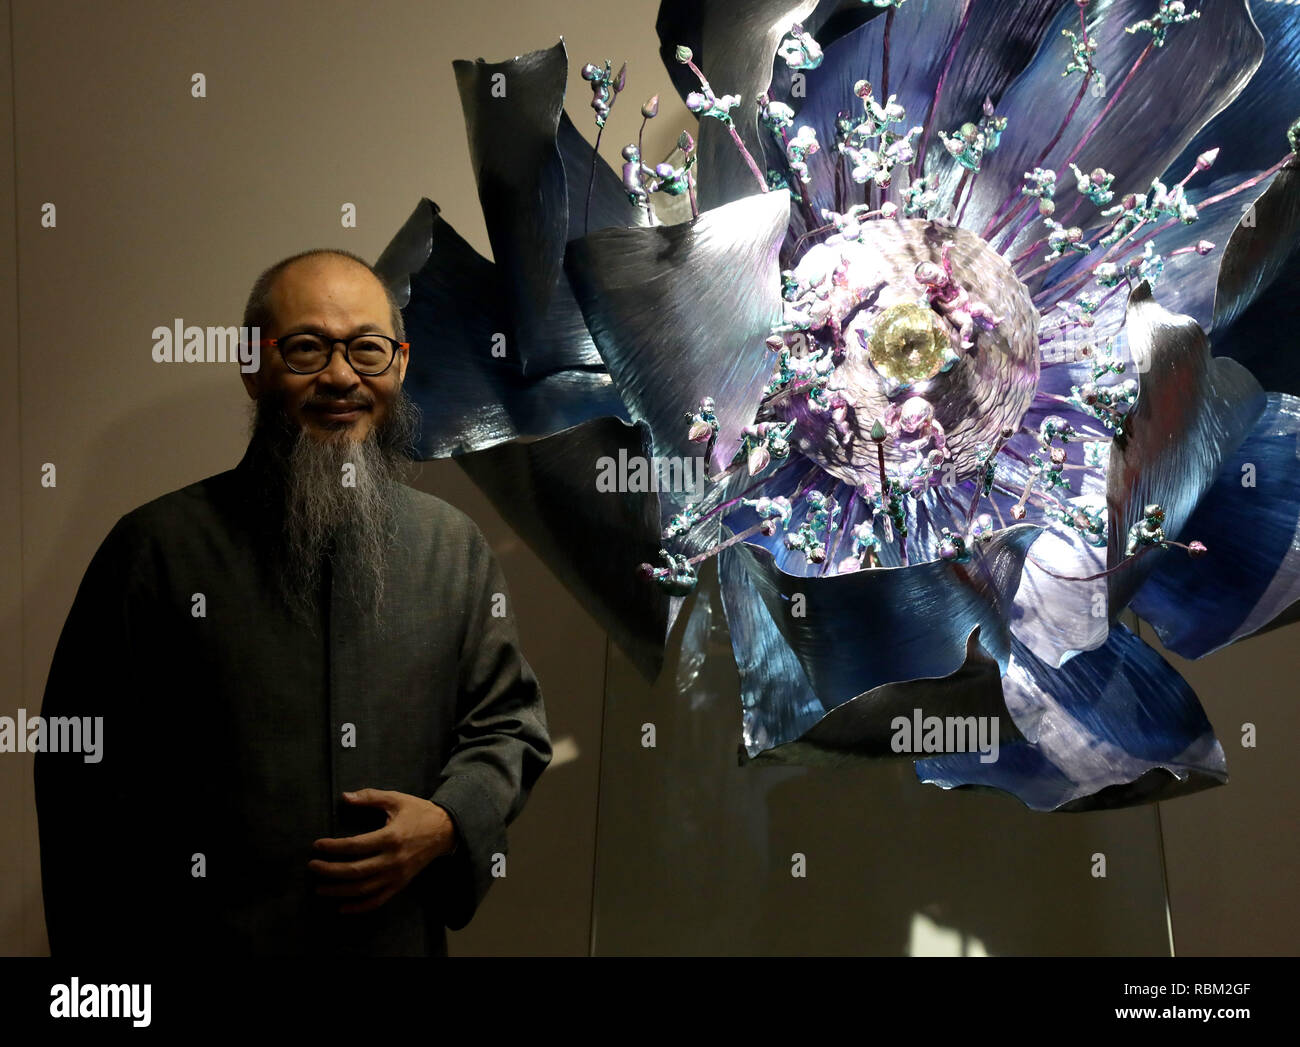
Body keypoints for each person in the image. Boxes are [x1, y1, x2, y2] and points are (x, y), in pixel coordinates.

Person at [34, 249, 551, 956]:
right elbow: (79, 794)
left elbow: (508, 725)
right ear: (253, 364)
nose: (341, 376)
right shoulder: (153, 550)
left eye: (367, 349)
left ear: (399, 366)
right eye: (307, 347)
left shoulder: (451, 549)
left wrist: (451, 818)